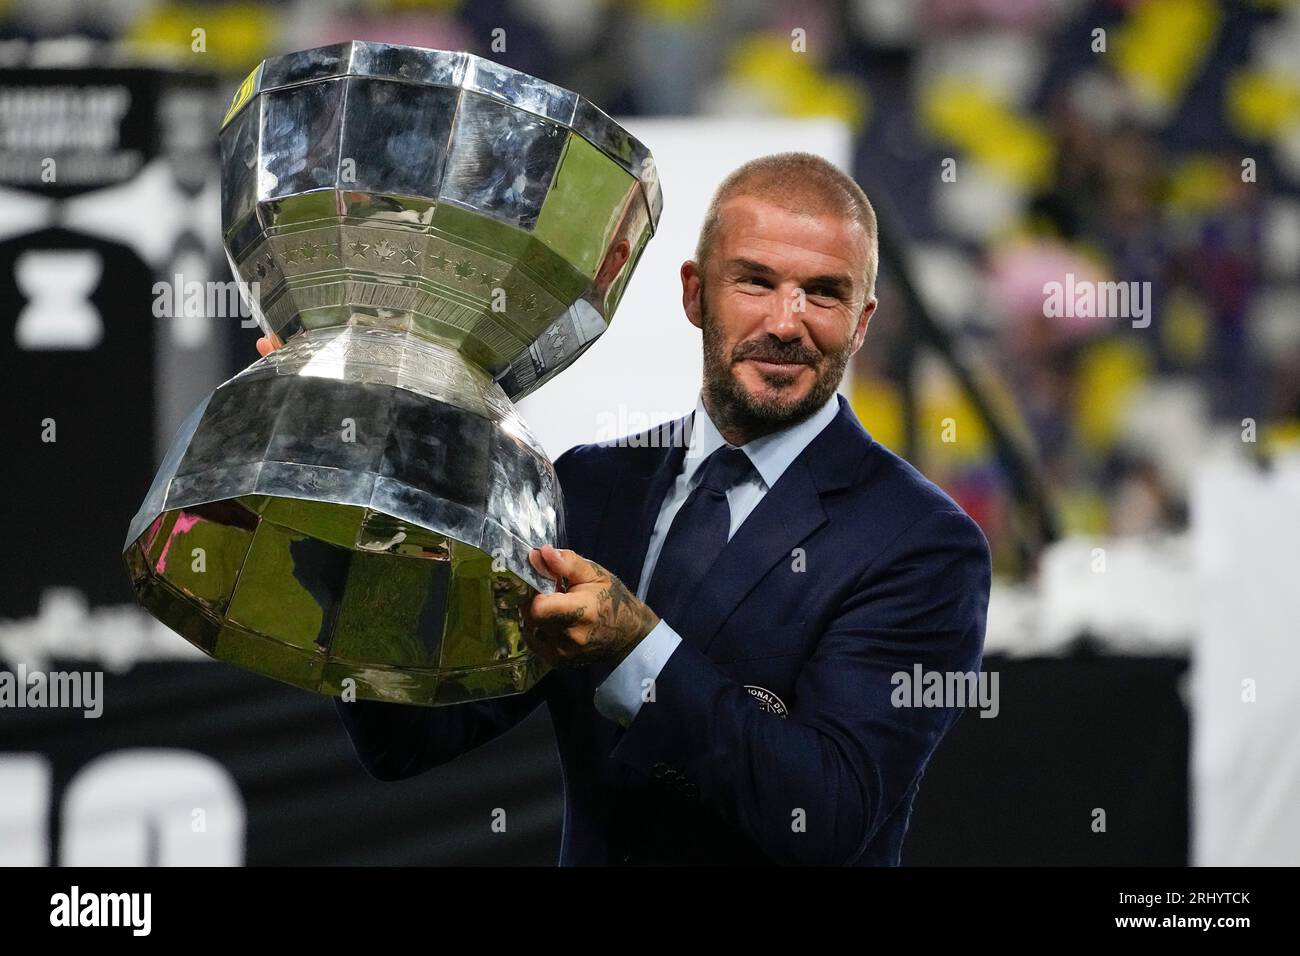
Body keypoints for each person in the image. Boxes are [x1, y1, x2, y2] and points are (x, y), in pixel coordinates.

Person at [257, 151, 991, 866]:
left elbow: (826, 817)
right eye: (756, 282)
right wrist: (342, 497)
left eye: (823, 292)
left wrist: (637, 648)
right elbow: (412, 739)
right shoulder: (594, 484)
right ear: (694, 293)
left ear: (862, 323)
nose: (787, 321)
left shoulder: (922, 544)